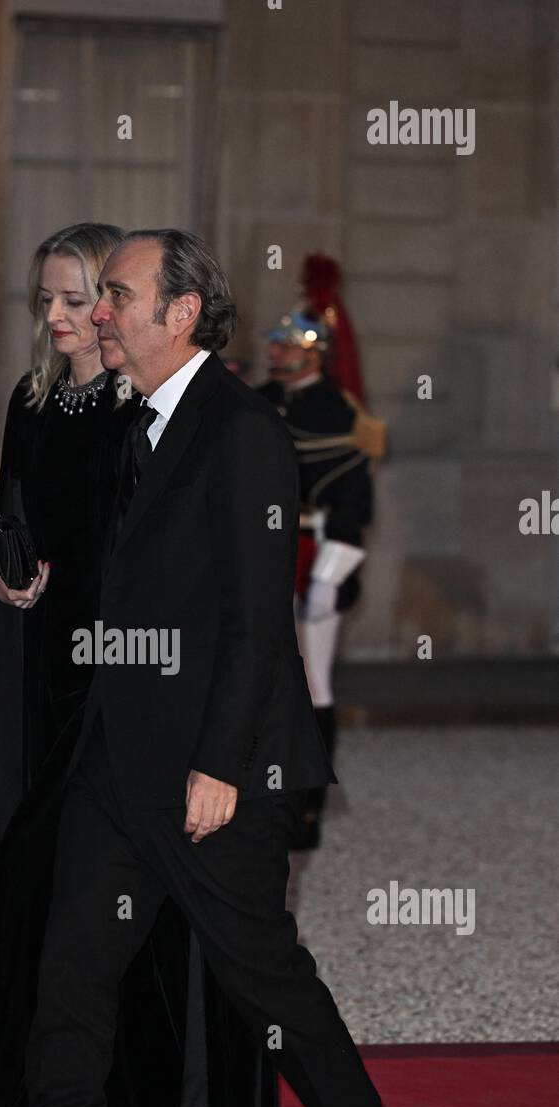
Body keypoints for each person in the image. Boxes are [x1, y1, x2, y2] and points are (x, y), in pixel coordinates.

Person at [0, 229, 405, 1107]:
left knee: (260, 972)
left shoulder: (240, 432)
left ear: (179, 312)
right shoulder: (131, 424)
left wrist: (220, 766)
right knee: (69, 968)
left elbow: (252, 618)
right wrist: (42, 583)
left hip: (210, 767)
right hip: (113, 752)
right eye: (95, 294)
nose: (97, 311)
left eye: (115, 293)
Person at [258, 254, 379, 849]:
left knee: (312, 682)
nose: (276, 352)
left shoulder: (338, 413)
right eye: (275, 343)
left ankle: (306, 807)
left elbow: (356, 502)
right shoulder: (255, 399)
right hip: (258, 552)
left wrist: (333, 571)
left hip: (313, 553)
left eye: (288, 344)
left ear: (315, 349)